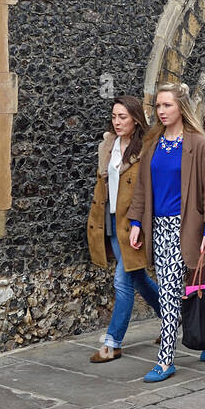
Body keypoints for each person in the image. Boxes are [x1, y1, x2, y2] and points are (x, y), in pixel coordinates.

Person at [128, 82, 205, 382]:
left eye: (167, 105)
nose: (161, 111)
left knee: (172, 293)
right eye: (158, 106)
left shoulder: (199, 144)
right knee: (171, 292)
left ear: (181, 107)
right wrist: (137, 223)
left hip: (188, 228)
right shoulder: (153, 143)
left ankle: (166, 360)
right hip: (159, 228)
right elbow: (142, 188)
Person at [86, 96, 161, 363]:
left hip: (133, 225)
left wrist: (141, 224)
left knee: (122, 281)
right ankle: (175, 317)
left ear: (136, 119)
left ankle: (113, 342)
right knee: (137, 277)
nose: (117, 122)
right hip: (111, 221)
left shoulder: (147, 148)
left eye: (123, 117)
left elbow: (149, 191)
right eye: (115, 117)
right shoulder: (109, 146)